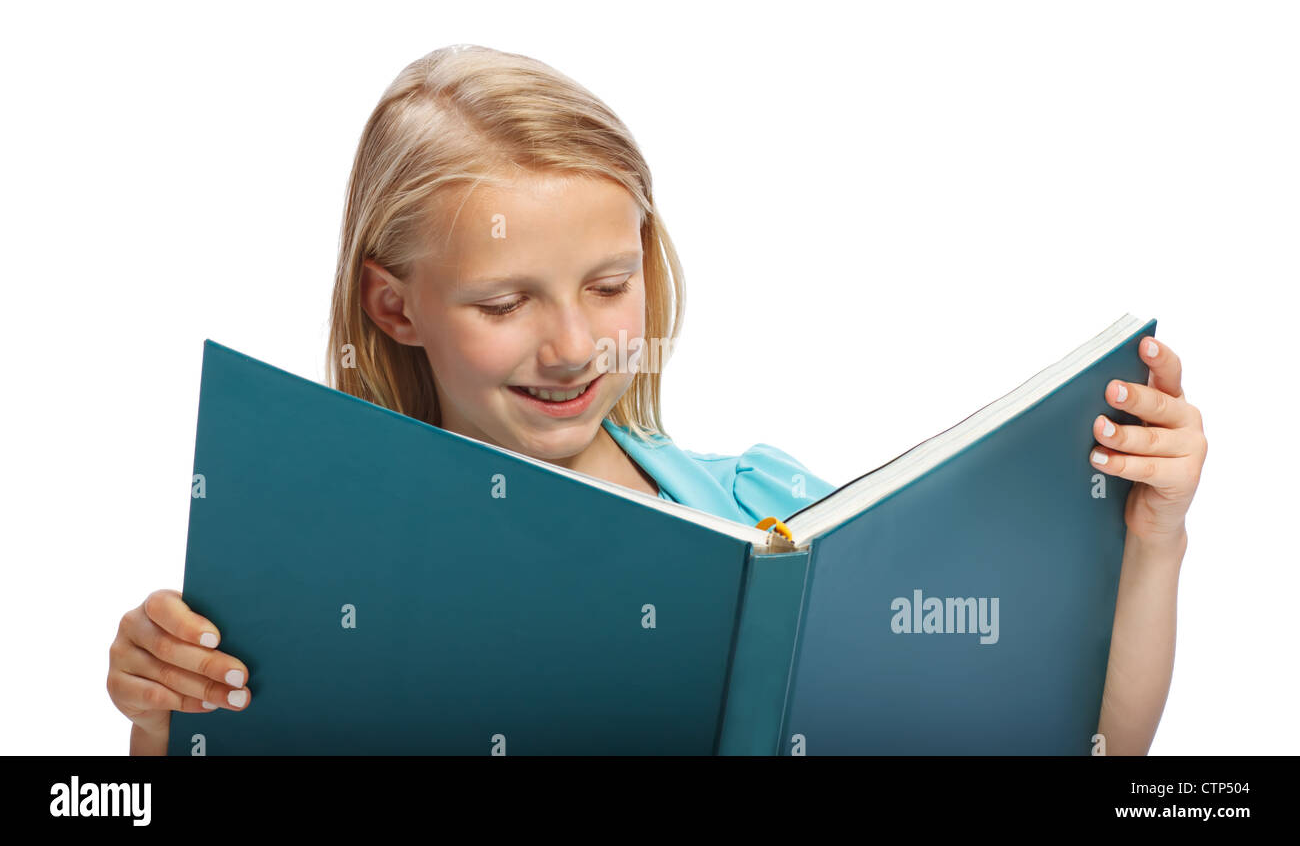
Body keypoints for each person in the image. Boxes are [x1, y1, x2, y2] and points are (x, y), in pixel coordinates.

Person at [106, 44, 838, 755]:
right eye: (506, 301)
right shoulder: (307, 597)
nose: (574, 346)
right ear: (394, 308)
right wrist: (164, 729)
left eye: (610, 285)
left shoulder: (774, 513)